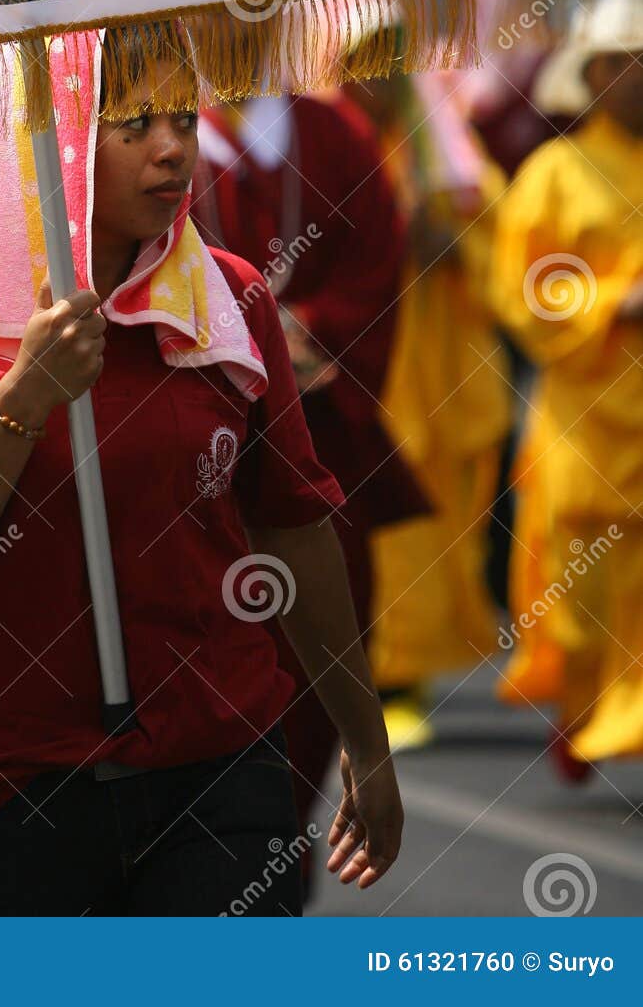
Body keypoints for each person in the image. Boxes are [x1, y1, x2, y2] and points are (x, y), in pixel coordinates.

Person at [0, 24, 403, 916]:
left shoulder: (227, 299)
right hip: (15, 787)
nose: (173, 147)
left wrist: (363, 744)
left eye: (181, 116)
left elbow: (292, 527)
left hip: (222, 765)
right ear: (50, 137)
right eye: (131, 122)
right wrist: (20, 398)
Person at [195, 91, 428, 867]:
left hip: (318, 432)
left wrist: (309, 332)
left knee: (322, 623)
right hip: (196, 441)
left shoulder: (332, 130)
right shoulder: (154, 132)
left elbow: (376, 258)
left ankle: (277, 853)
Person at [340, 54, 512, 750]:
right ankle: (376, 681)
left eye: (387, 68)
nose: (374, 84)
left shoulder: (441, 152)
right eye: (359, 68)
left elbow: (503, 247)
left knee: (429, 522)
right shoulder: (324, 148)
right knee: (373, 527)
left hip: (436, 373)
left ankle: (404, 680)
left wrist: (449, 247)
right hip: (363, 372)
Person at [492, 0, 643, 778]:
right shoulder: (552, 174)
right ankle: (583, 710)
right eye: (617, 63)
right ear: (588, 75)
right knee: (581, 606)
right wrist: (614, 302)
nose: (633, 77)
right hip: (588, 420)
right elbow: (518, 292)